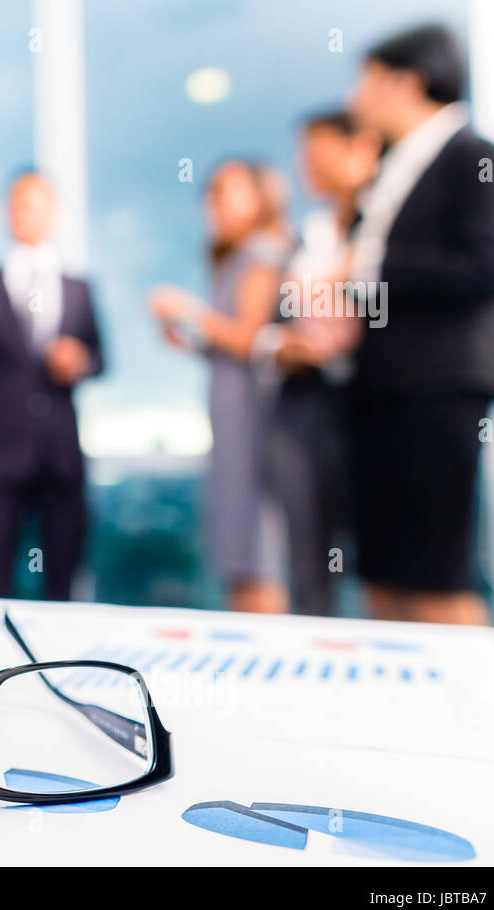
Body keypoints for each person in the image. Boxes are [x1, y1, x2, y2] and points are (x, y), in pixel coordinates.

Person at [296, 24, 494, 625]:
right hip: (378, 390)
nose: (355, 100)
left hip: (435, 390)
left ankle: (476, 718)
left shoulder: (479, 159)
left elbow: (484, 268)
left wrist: (362, 266)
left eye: (364, 80)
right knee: (385, 575)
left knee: (436, 577)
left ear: (406, 81)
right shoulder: (392, 169)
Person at [0, 171, 105, 599]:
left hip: (61, 453)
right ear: (6, 211)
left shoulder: (79, 289)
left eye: (36, 203)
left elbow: (101, 359)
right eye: (18, 202)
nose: (26, 212)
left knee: (63, 578)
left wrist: (80, 362)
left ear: (55, 214)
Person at [148, 161, 292, 614]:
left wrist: (188, 310)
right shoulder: (234, 258)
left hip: (257, 422)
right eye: (211, 195)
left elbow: (248, 338)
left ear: (261, 198)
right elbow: (229, 344)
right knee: (240, 554)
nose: (216, 206)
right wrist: (193, 341)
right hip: (233, 423)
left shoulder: (263, 252)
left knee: (258, 551)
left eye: (228, 194)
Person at [255, 111, 381, 615]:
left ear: (360, 151)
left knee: (380, 559)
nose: (305, 163)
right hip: (300, 412)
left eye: (315, 150)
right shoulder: (302, 240)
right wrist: (282, 348)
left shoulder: (383, 230)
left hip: (369, 409)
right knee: (308, 564)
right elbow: (268, 327)